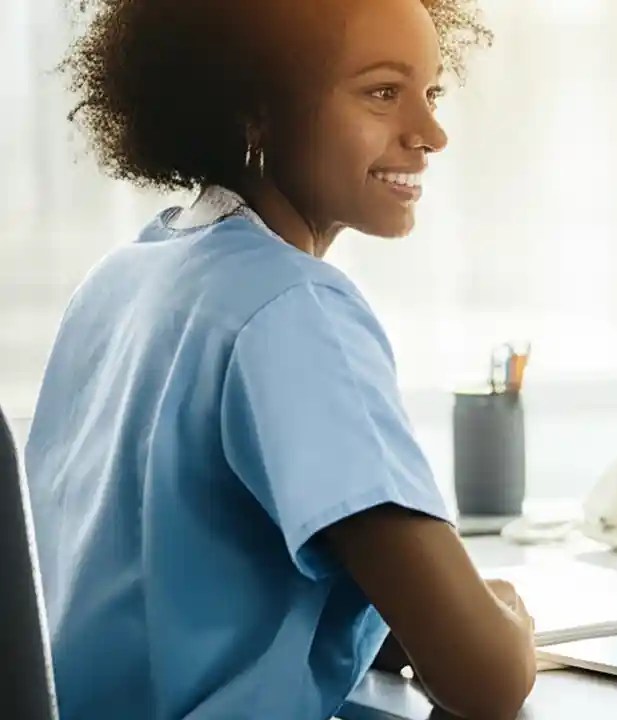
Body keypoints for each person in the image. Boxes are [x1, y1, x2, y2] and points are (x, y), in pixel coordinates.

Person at [23, 0, 537, 717]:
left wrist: (393, 620)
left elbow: (170, 585)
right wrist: (507, 623)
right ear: (255, 110)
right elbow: (484, 678)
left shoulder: (121, 280)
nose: (431, 133)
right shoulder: (294, 309)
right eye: (383, 92)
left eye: (431, 92)